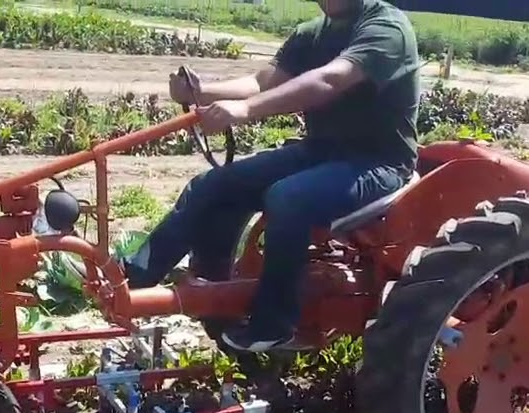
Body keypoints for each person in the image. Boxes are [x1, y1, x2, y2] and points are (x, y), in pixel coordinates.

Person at [122, 0, 421, 352]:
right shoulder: (312, 33)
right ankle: (139, 278)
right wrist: (201, 94)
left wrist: (246, 110)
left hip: (379, 163)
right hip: (321, 152)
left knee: (289, 197)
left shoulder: (386, 28)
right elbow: (264, 81)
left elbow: (331, 79)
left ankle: (274, 324)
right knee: (215, 185)